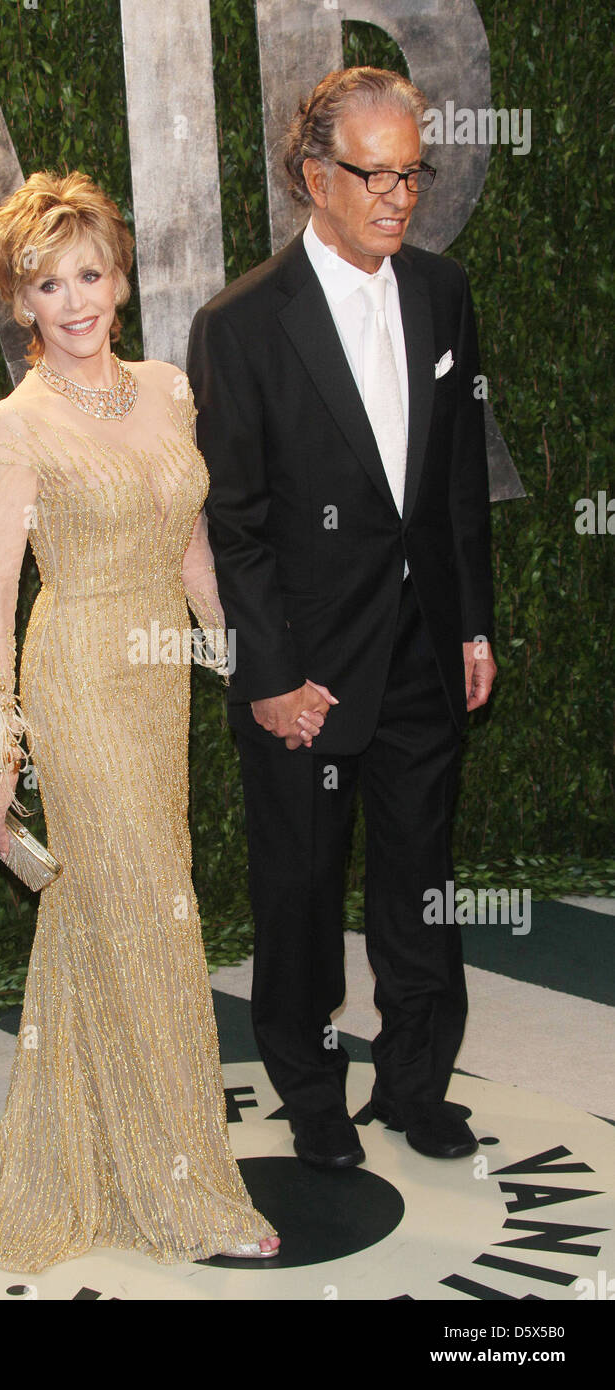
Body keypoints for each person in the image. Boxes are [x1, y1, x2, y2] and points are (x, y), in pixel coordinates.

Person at [0, 171, 280, 1267]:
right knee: (153, 914)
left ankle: (93, 1147)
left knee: (105, 914)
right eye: (45, 283)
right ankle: (190, 1197)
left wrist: (240, 661)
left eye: (89, 274)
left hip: (156, 675)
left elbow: (186, 541)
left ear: (119, 277)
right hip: (75, 674)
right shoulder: (15, 424)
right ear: (19, 302)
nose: (72, 301)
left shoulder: (167, 389)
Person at [186, 67, 496, 1171]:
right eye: (374, 173)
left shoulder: (442, 293)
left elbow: (455, 479)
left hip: (420, 655)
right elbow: (236, 525)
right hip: (305, 675)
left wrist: (471, 626)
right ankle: (312, 1096)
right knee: (300, 899)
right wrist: (266, 677)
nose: (398, 195)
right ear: (312, 176)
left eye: (411, 171)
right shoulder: (239, 324)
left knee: (419, 884)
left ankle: (416, 1086)